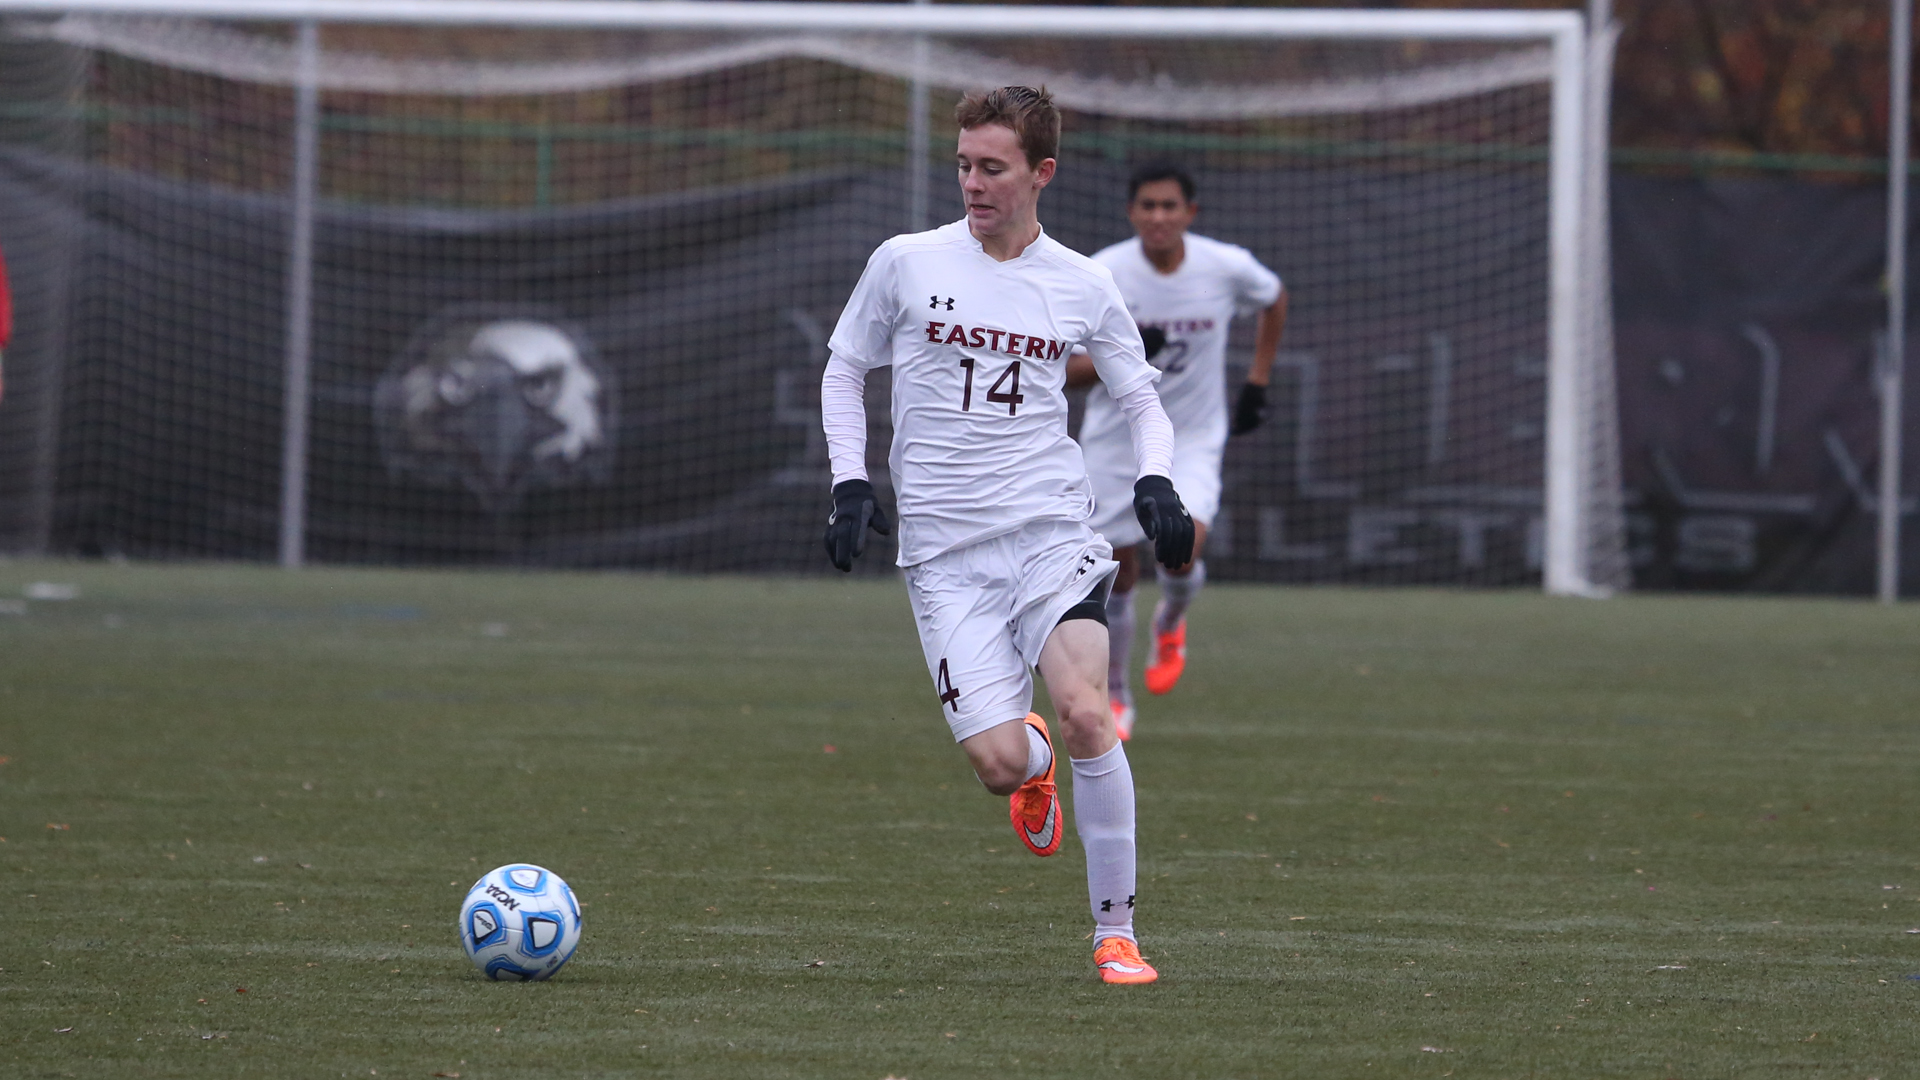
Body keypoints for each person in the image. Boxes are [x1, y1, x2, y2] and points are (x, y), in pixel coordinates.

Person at [819, 86, 1194, 985]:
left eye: (993, 168)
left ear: (1041, 173)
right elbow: (845, 368)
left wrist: (1155, 480)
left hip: (1047, 533)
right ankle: (1028, 763)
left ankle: (1116, 933)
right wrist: (848, 480)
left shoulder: (1081, 281)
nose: (973, 184)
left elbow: (1139, 394)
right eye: (964, 165)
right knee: (998, 762)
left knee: (1090, 716)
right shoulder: (905, 261)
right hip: (945, 555)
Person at [1068, 163, 1288, 740]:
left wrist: (1259, 380)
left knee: (1181, 548)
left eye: (1170, 206)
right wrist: (1130, 350)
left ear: (1191, 213)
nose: (1158, 217)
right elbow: (1068, 374)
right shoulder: (1102, 275)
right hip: (1116, 443)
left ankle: (1172, 616)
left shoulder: (1224, 266)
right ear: (1131, 212)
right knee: (1113, 571)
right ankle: (1116, 692)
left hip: (1190, 436)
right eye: (1148, 206)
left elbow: (1274, 297)